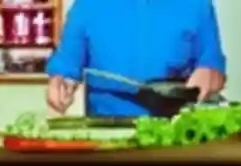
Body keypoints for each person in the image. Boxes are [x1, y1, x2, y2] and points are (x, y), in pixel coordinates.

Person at [45, 0, 227, 118]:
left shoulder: (197, 5)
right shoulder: (87, 5)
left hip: (173, 138)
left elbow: (214, 67)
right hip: (106, 137)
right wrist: (60, 83)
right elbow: (66, 66)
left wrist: (210, 73)